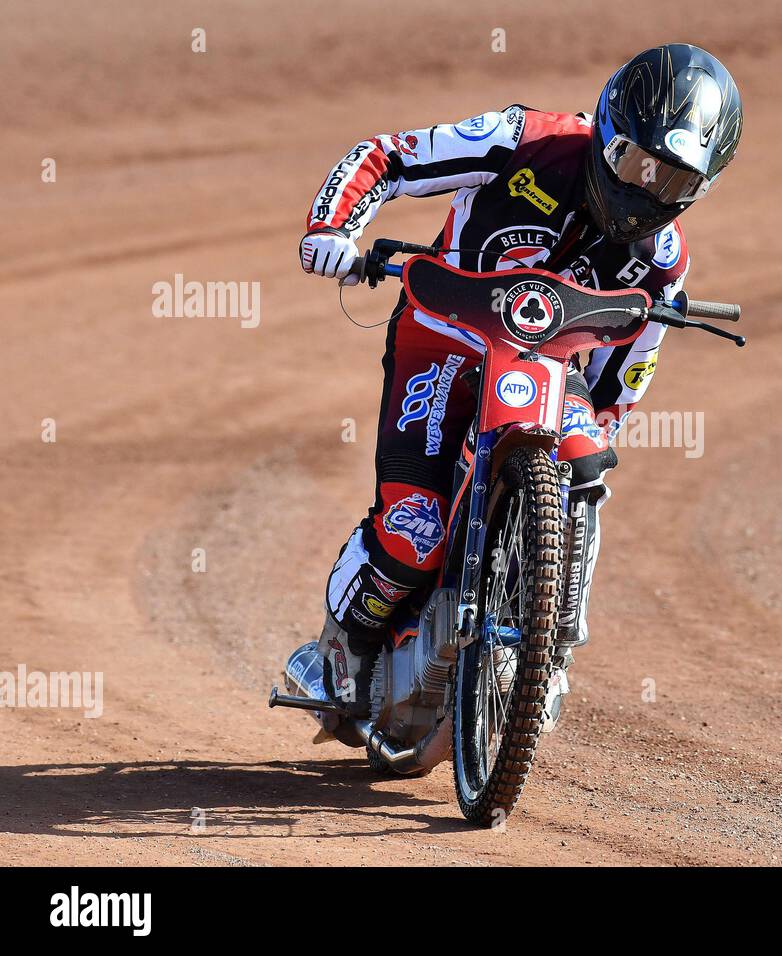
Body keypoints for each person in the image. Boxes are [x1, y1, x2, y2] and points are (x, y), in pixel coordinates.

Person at [297, 43, 742, 720]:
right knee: (412, 532)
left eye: (674, 183)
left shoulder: (663, 259)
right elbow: (389, 155)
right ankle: (342, 651)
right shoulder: (521, 141)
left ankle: (552, 645)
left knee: (588, 462)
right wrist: (332, 227)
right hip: (444, 335)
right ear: (605, 131)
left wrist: (596, 421)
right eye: (636, 164)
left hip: (549, 370)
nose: (645, 192)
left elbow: (626, 369)